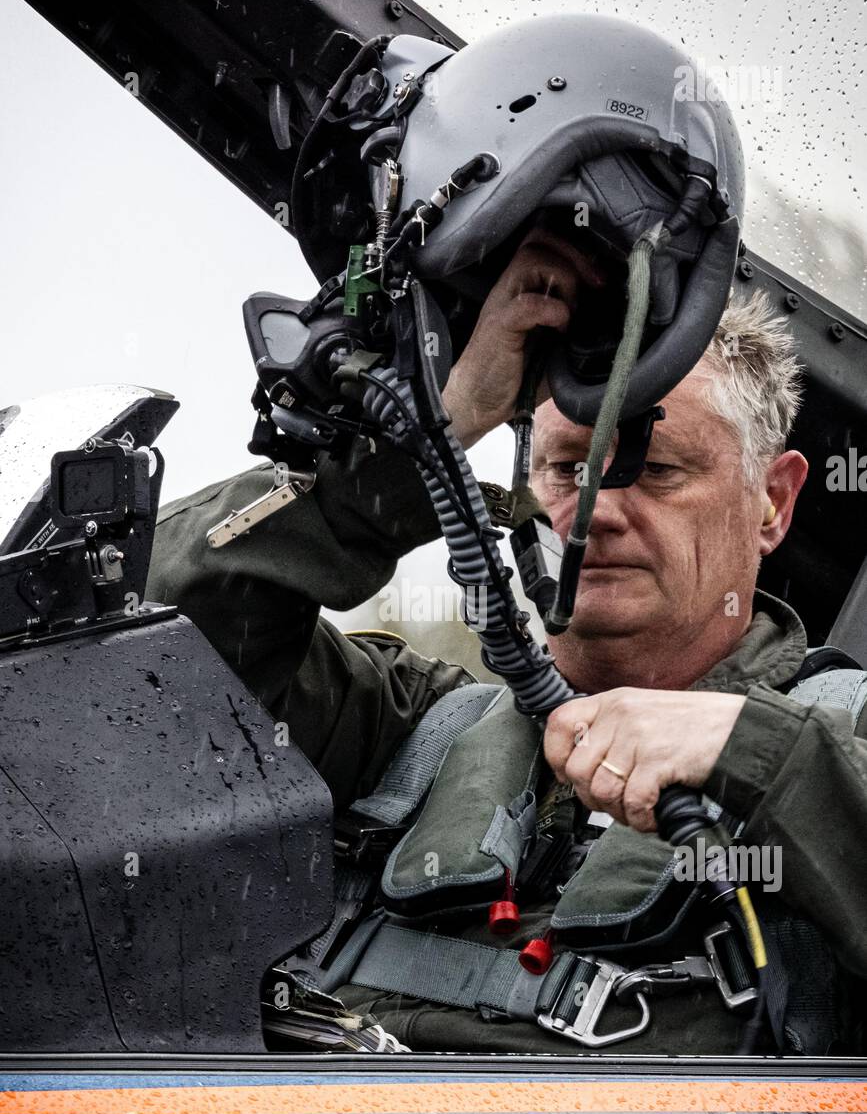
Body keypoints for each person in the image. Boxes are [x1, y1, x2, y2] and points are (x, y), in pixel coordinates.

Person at [146, 228, 867, 1055]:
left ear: (772, 502)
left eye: (653, 469)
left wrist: (764, 756)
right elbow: (147, 655)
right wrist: (421, 437)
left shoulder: (840, 737)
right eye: (566, 469)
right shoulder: (401, 731)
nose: (593, 511)